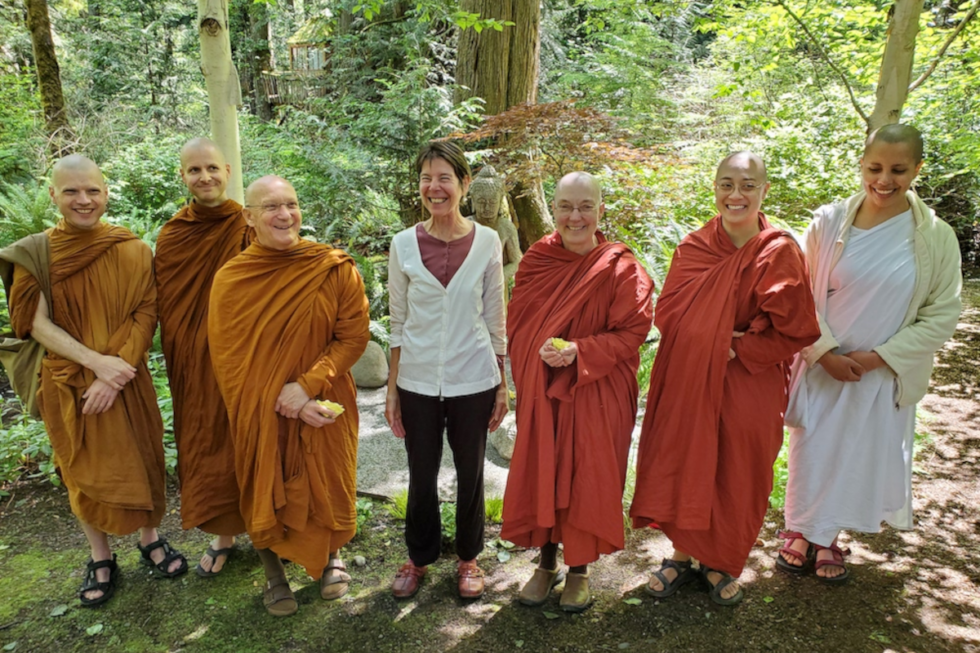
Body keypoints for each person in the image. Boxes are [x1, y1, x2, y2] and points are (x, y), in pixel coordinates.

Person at [629, 152, 821, 606]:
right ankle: (679, 554)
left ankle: (719, 561)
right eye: (727, 184)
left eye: (748, 185)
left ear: (764, 190)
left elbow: (795, 329)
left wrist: (739, 345)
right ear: (714, 187)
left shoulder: (779, 249)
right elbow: (670, 313)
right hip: (691, 377)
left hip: (748, 380)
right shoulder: (695, 247)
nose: (736, 195)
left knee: (738, 465)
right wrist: (718, 334)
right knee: (687, 458)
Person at [778, 124, 962, 583]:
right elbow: (797, 291)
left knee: (860, 452)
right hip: (825, 364)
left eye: (899, 170)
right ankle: (800, 530)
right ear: (862, 164)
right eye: (875, 168)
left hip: (882, 373)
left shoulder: (936, 237)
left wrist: (879, 357)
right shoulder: (827, 222)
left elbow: (942, 315)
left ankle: (830, 537)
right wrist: (825, 353)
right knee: (813, 448)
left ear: (917, 169)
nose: (884, 179)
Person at [4, 155, 186, 607]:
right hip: (67, 382)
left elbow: (147, 312)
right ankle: (100, 556)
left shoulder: (134, 249)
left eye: (92, 191)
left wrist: (115, 372)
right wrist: (95, 364)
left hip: (126, 378)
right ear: (54, 196)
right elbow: (33, 322)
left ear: (106, 193)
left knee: (143, 457)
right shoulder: (35, 253)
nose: (83, 200)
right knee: (79, 470)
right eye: (71, 192)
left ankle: (150, 538)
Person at [209, 175, 370, 617]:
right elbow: (229, 361)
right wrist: (280, 401)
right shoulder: (232, 279)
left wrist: (307, 386)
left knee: (329, 474)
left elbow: (353, 337)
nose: (284, 215)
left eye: (291, 204)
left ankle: (331, 556)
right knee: (263, 477)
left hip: (326, 397)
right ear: (248, 217)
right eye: (270, 207)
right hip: (259, 408)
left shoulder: (332, 267)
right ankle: (273, 573)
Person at [502, 172, 654, 613]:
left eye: (586, 206)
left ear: (600, 210)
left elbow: (633, 332)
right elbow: (519, 324)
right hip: (544, 389)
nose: (575, 216)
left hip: (598, 389)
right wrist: (539, 356)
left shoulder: (621, 266)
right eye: (566, 206)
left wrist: (580, 352)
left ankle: (580, 570)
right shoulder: (536, 260)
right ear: (553, 210)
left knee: (587, 476)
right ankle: (546, 563)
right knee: (543, 471)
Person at [385, 142, 508, 600]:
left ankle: (470, 557)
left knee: (470, 470)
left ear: (464, 184)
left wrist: (502, 384)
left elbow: (496, 316)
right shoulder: (402, 244)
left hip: (474, 377)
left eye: (444, 179)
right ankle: (419, 557)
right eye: (426, 179)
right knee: (420, 471)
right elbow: (398, 324)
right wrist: (394, 390)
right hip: (416, 379)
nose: (434, 188)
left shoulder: (488, 241)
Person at [155, 137, 250, 577]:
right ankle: (223, 533)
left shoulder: (250, 225)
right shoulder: (173, 236)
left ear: (228, 171)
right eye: (194, 170)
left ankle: (270, 525)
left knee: (250, 439)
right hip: (195, 361)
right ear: (182, 176)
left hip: (245, 356)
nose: (205, 177)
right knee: (209, 441)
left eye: (212, 168)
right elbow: (169, 308)